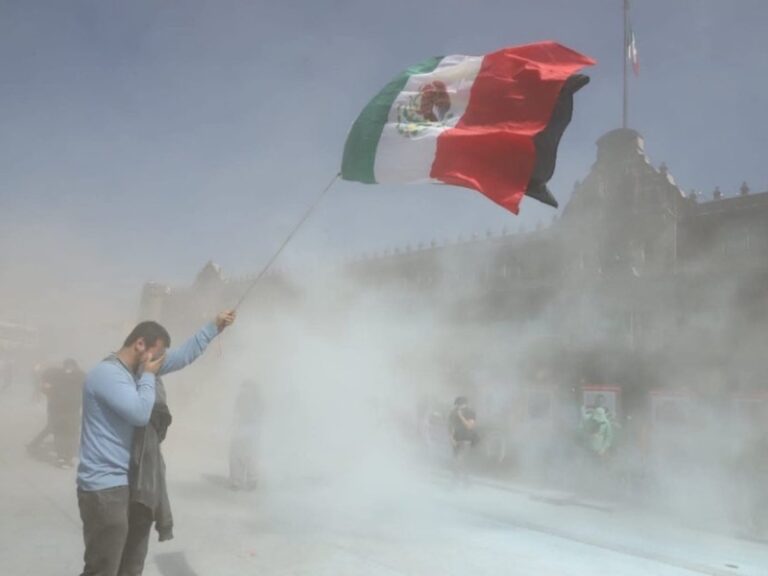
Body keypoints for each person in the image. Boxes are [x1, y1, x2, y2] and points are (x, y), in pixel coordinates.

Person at [76, 309, 236, 576]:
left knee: (130, 563)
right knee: (102, 568)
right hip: (105, 488)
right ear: (140, 344)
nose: (160, 361)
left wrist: (214, 327)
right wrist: (150, 376)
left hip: (133, 482)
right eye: (157, 353)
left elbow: (184, 355)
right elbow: (140, 414)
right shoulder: (106, 374)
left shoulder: (137, 370)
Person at [27, 359, 84, 467]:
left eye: (71, 366)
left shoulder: (80, 377)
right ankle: (61, 456)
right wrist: (49, 392)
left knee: (69, 432)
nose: (69, 369)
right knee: (59, 431)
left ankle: (67, 455)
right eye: (67, 366)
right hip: (59, 409)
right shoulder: (58, 376)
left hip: (72, 410)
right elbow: (46, 388)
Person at [229, 379, 262, 491]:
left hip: (244, 429)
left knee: (237, 454)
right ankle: (251, 479)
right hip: (253, 429)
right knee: (251, 454)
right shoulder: (258, 398)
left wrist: (234, 425)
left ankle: (237, 481)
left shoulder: (242, 397)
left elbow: (237, 414)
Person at [448, 396, 478, 486]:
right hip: (456, 440)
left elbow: (470, 426)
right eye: (458, 405)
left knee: (459, 460)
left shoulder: (470, 412)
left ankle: (454, 482)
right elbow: (450, 426)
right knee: (460, 462)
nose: (459, 407)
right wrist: (451, 438)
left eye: (460, 405)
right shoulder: (453, 413)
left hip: (466, 440)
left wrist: (461, 416)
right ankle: (467, 481)